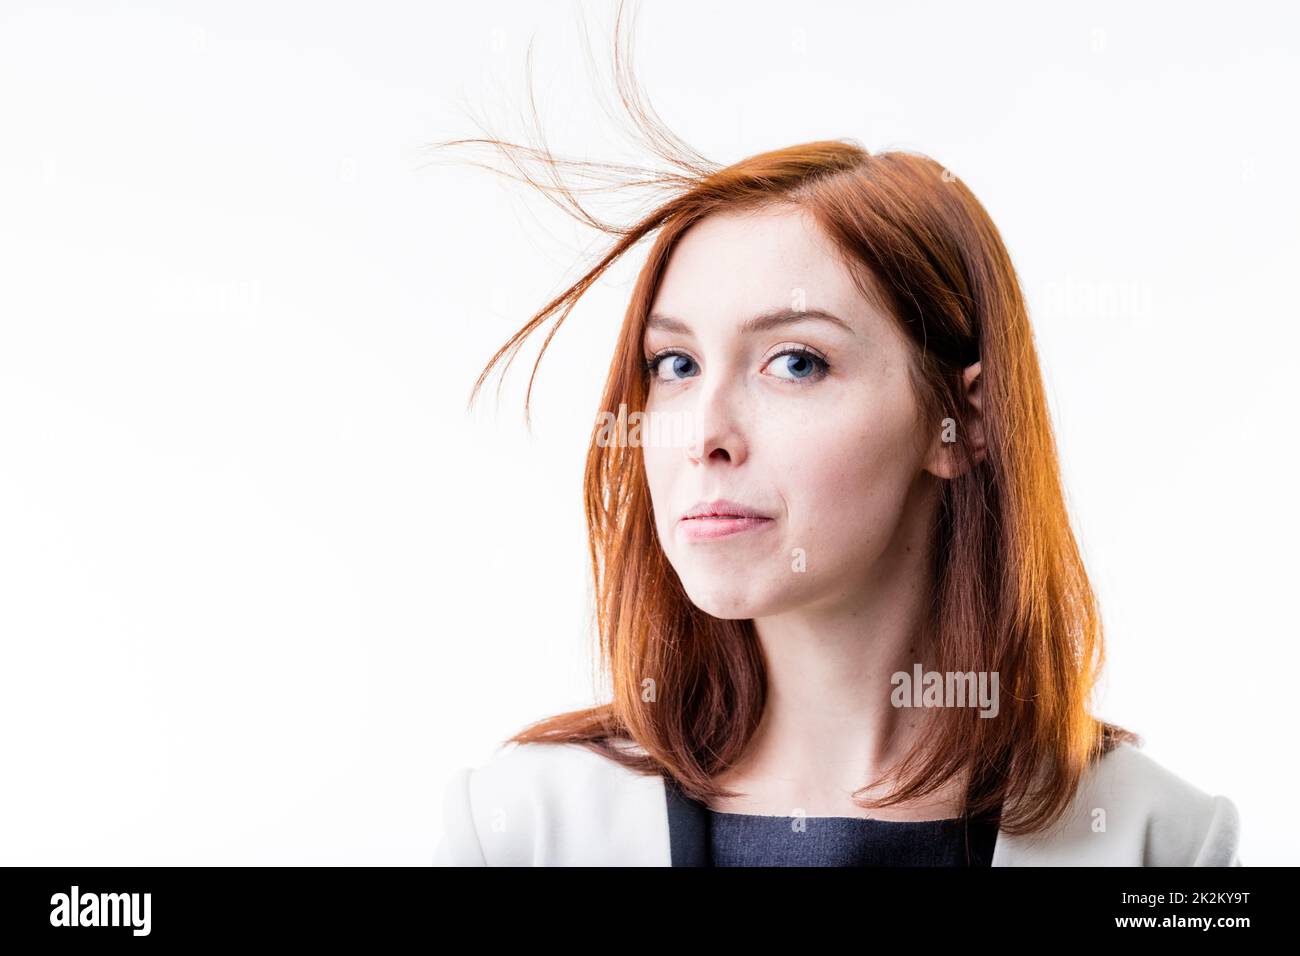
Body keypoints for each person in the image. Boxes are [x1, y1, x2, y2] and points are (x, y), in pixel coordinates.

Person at [430, 1, 1241, 867]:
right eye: (674, 365)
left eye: (795, 363)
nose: (705, 434)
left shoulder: (1166, 844)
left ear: (964, 418)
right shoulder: (520, 826)